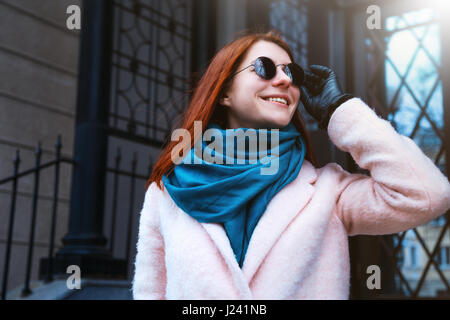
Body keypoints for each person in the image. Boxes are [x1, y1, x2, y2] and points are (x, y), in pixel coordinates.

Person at [132, 31, 450, 299]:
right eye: (265, 67)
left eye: (292, 73)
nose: (284, 79)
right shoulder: (166, 193)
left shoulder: (328, 192)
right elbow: (150, 292)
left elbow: (427, 194)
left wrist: (339, 109)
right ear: (225, 91)